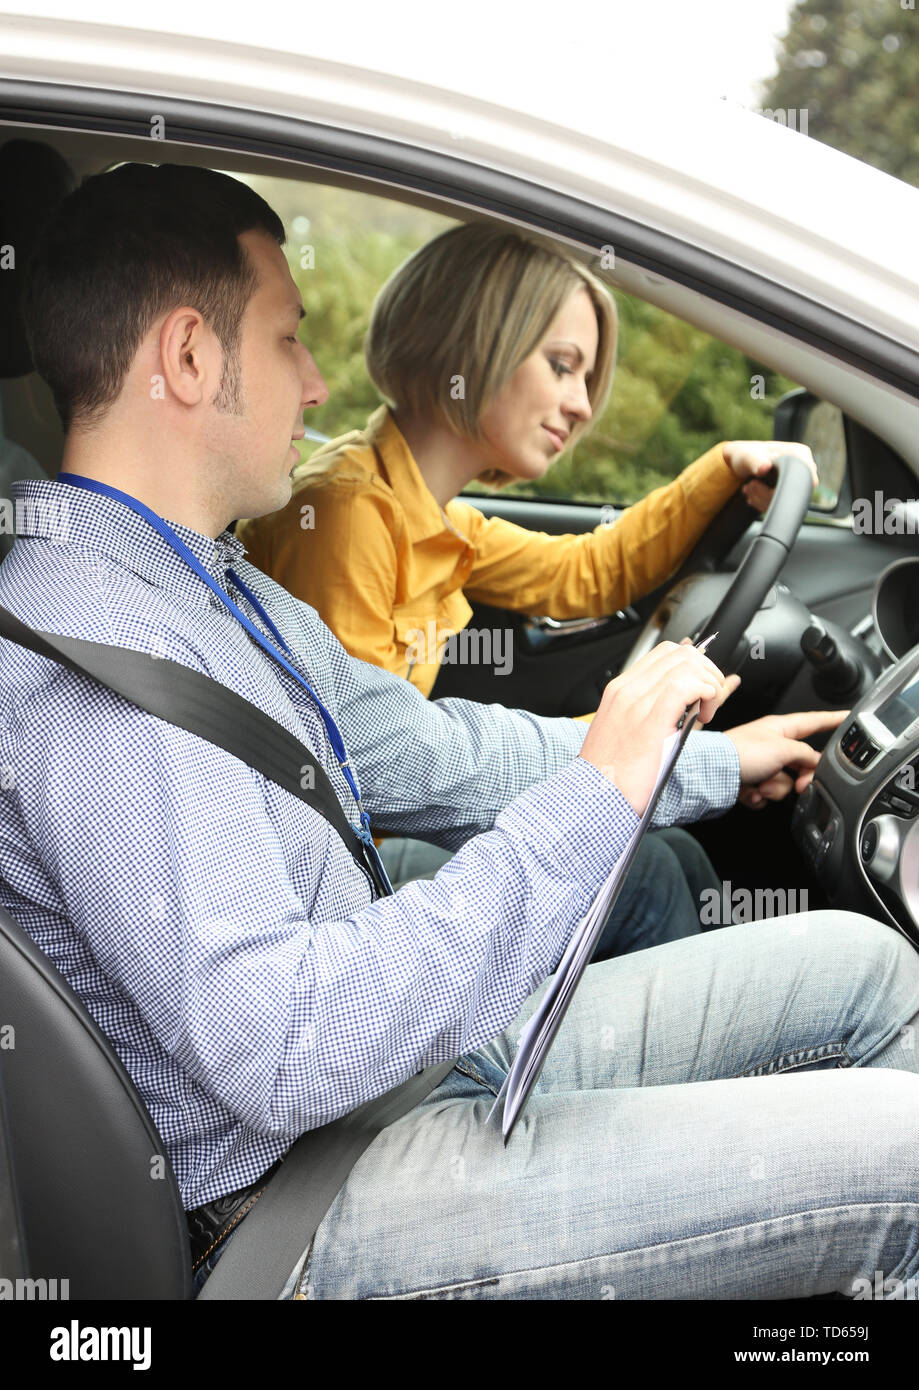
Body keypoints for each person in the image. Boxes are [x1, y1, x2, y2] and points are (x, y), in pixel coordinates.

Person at [2, 162, 917, 1303]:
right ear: (188, 358)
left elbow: (436, 757)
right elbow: (287, 1047)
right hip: (301, 1199)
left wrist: (699, 764)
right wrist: (594, 799)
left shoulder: (213, 587)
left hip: (389, 1076)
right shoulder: (90, 660)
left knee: (870, 972)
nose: (321, 381)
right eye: (290, 341)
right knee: (907, 1157)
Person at [237, 220, 818, 940]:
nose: (580, 404)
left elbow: (590, 572)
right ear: (473, 341)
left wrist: (719, 468)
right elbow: (376, 769)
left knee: (672, 852)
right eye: (561, 365)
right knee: (652, 873)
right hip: (342, 870)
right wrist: (631, 747)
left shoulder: (425, 511)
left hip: (379, 824)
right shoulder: (348, 512)